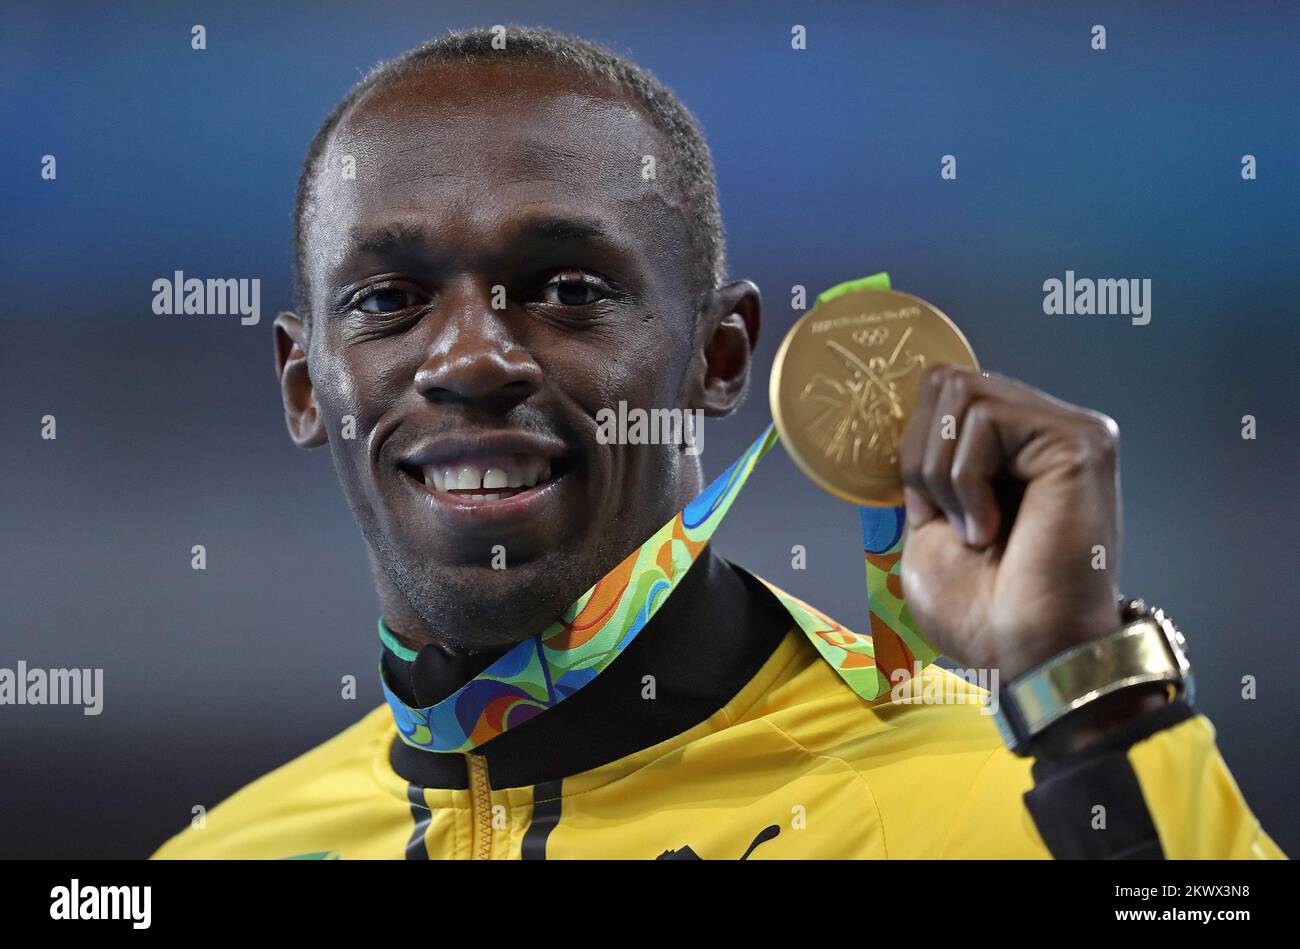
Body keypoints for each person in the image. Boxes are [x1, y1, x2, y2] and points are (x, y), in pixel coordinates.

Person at [153, 26, 1282, 860]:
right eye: (390, 299)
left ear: (721, 355)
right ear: (307, 384)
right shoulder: (222, 854)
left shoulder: (989, 805)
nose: (470, 357)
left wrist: (1090, 704)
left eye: (567, 288)